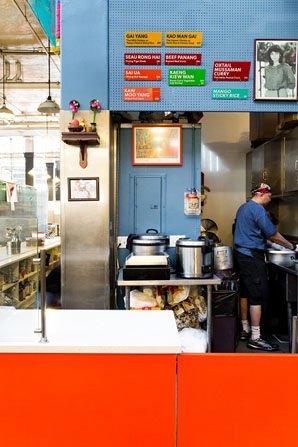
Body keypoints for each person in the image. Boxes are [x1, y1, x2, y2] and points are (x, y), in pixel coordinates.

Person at [234, 183, 294, 351]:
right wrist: (290, 247)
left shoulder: (243, 207)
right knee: (257, 296)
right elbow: (272, 234)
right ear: (261, 194)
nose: (269, 199)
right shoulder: (258, 209)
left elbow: (253, 233)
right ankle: (256, 337)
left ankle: (245, 329)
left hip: (241, 255)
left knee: (246, 291)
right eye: (269, 196)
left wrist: (274, 246)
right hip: (252, 257)